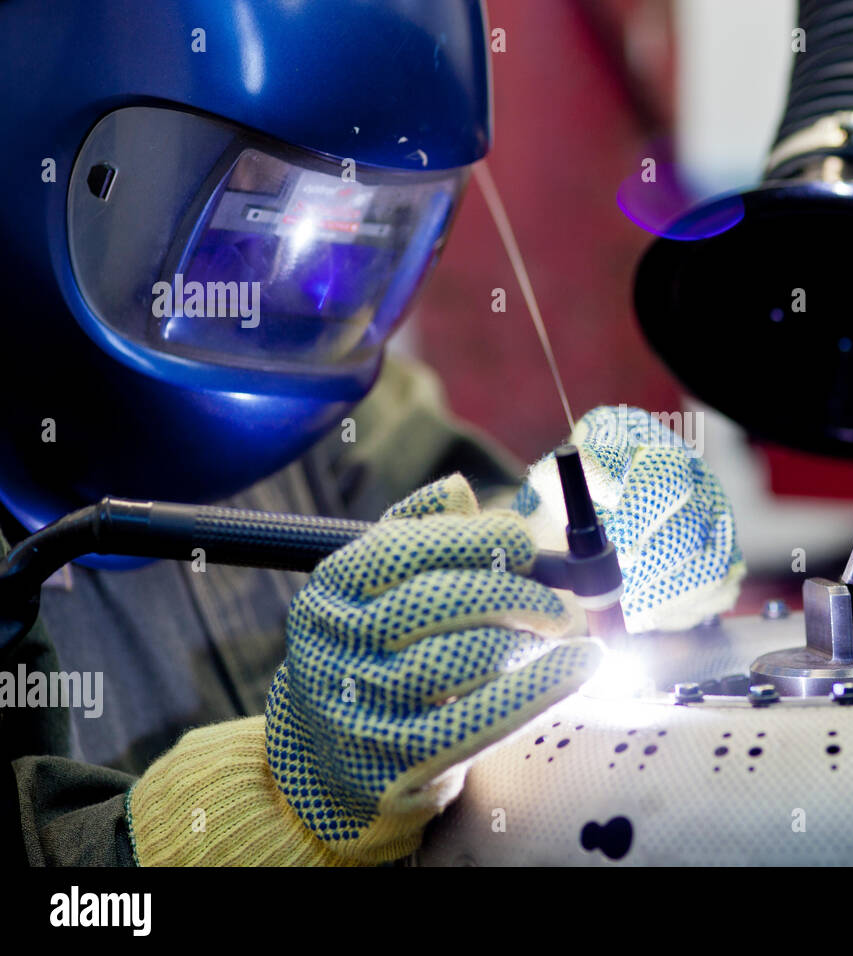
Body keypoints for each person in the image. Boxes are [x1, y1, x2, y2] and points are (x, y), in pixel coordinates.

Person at [0, 1, 743, 866]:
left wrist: (579, 532)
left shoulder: (330, 392)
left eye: (366, 241)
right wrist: (267, 802)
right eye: (256, 229)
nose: (306, 289)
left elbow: (463, 510)